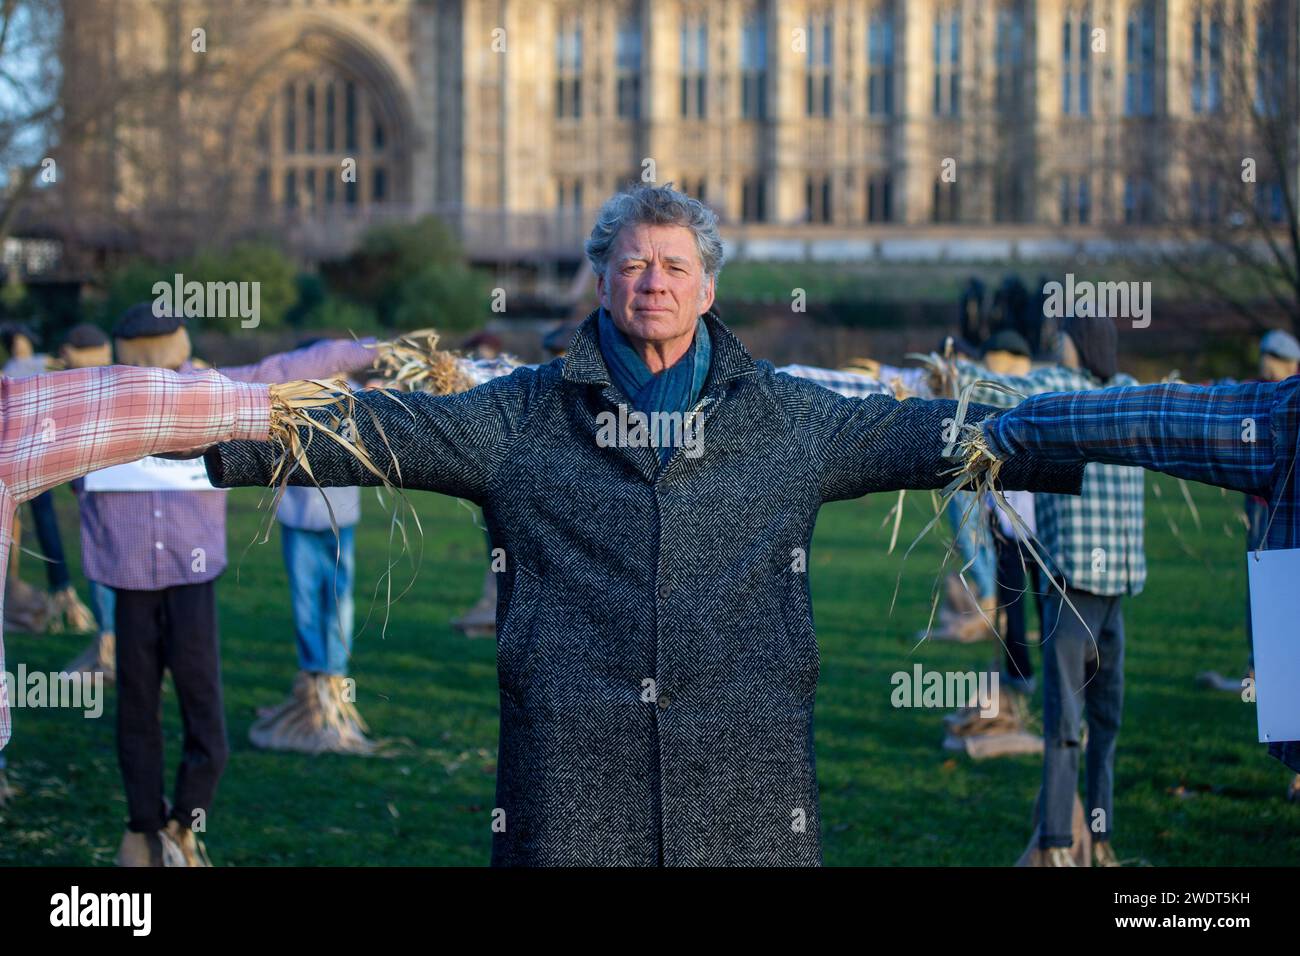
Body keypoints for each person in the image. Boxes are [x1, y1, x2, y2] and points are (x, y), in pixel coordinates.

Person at [201, 183, 1084, 866]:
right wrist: (209, 425)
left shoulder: (784, 418)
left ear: (708, 288)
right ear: (602, 282)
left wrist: (1080, 431)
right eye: (632, 266)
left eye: (672, 267)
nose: (651, 282)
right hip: (572, 774)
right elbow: (382, 429)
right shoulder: (521, 418)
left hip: (747, 778)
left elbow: (924, 436)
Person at [84, 304, 381, 867]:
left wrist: (371, 350)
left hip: (192, 579)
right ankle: (143, 825)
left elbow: (284, 369)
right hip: (128, 581)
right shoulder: (100, 401)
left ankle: (185, 821)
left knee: (204, 712)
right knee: (136, 711)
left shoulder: (208, 391)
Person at [982, 364, 1300, 799]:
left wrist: (1001, 431)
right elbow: (1150, 417)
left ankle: (1063, 837)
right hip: (1108, 582)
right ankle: (1085, 832)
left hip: (1077, 581)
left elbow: (1148, 419)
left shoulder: (1284, 420)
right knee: (1096, 719)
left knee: (1072, 720)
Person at [950, 315, 1145, 868]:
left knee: (1095, 720)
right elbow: (1006, 389)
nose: (1055, 349)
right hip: (1079, 586)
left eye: (1063, 341)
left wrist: (953, 374)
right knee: (1076, 721)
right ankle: (1059, 843)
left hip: (1107, 588)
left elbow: (1000, 387)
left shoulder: (1115, 392)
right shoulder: (1080, 392)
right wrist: (952, 373)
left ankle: (1096, 839)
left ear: (1082, 345)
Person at [1198, 328, 1300, 698]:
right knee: (1262, 584)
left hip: (1283, 508)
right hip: (1260, 507)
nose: (1267, 369)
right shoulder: (1256, 390)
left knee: (1275, 584)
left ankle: (1273, 671)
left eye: (1273, 362)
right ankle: (1258, 670)